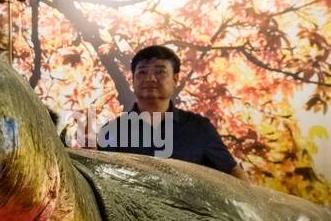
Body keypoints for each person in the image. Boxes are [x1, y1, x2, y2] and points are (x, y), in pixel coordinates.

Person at [97, 45, 247, 179]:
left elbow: (236, 177)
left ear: (175, 79)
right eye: (142, 72)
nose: (150, 78)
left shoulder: (199, 129)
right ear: (133, 80)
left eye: (160, 72)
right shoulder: (112, 132)